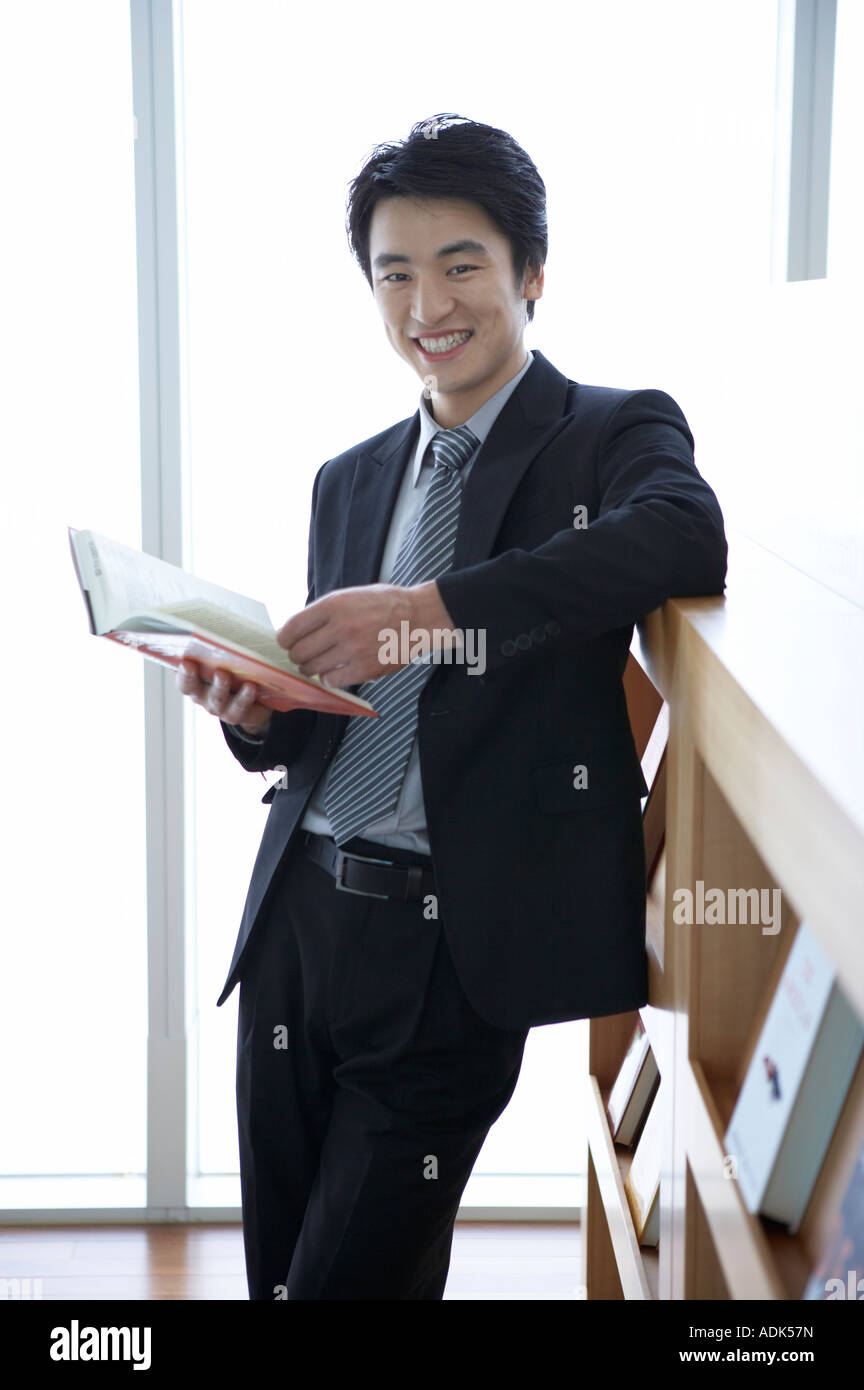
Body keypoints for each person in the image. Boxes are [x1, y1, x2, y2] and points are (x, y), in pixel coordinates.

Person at [177, 112, 727, 1300]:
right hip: (296, 930)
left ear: (532, 273)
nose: (429, 301)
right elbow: (333, 715)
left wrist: (426, 613)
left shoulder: (609, 432)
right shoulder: (351, 476)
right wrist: (255, 711)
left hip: (452, 949)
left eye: (462, 263)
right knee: (290, 1268)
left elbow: (683, 534)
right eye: (395, 272)